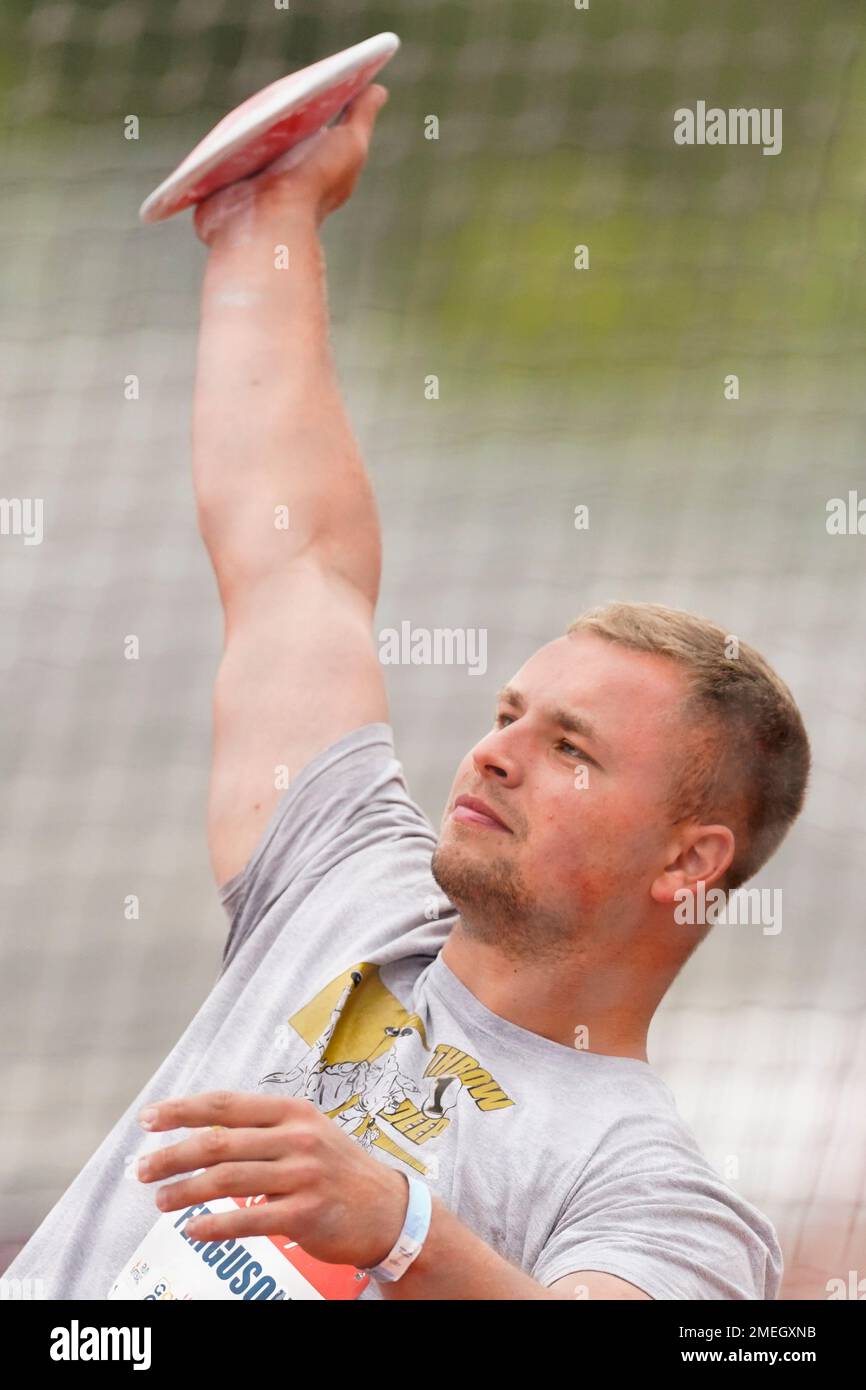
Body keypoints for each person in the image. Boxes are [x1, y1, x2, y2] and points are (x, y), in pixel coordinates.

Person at [4, 82, 808, 1301]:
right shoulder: (347, 888)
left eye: (571, 750)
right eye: (504, 719)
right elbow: (294, 567)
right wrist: (265, 225)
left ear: (689, 862)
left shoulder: (648, 1189)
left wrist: (397, 1228)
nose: (493, 756)